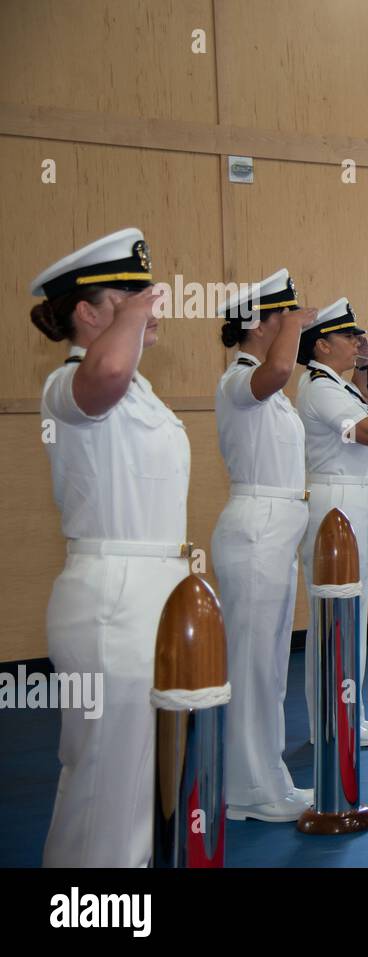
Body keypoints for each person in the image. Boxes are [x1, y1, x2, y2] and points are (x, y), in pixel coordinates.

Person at [30, 228, 190, 866]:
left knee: (137, 783)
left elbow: (122, 372)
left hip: (152, 597)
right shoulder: (67, 387)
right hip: (110, 604)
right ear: (86, 312)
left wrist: (131, 307)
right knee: (104, 782)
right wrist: (137, 311)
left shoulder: (140, 393)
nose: (148, 306)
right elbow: (110, 369)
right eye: (126, 295)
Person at [212, 269, 315, 822]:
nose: (292, 330)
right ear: (258, 325)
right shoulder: (240, 379)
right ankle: (245, 791)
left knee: (271, 664)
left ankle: (268, 776)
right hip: (254, 526)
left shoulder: (264, 384)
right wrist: (299, 324)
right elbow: (279, 368)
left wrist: (292, 321)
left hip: (276, 526)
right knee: (251, 665)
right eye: (284, 317)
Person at [296, 299, 368, 748]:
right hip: (335, 502)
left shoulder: (337, 383)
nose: (357, 341)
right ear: (322, 344)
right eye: (348, 336)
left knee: (351, 612)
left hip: (351, 497)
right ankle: (331, 723)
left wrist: (366, 370)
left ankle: (348, 712)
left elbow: (363, 406)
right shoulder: (319, 387)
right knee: (335, 617)